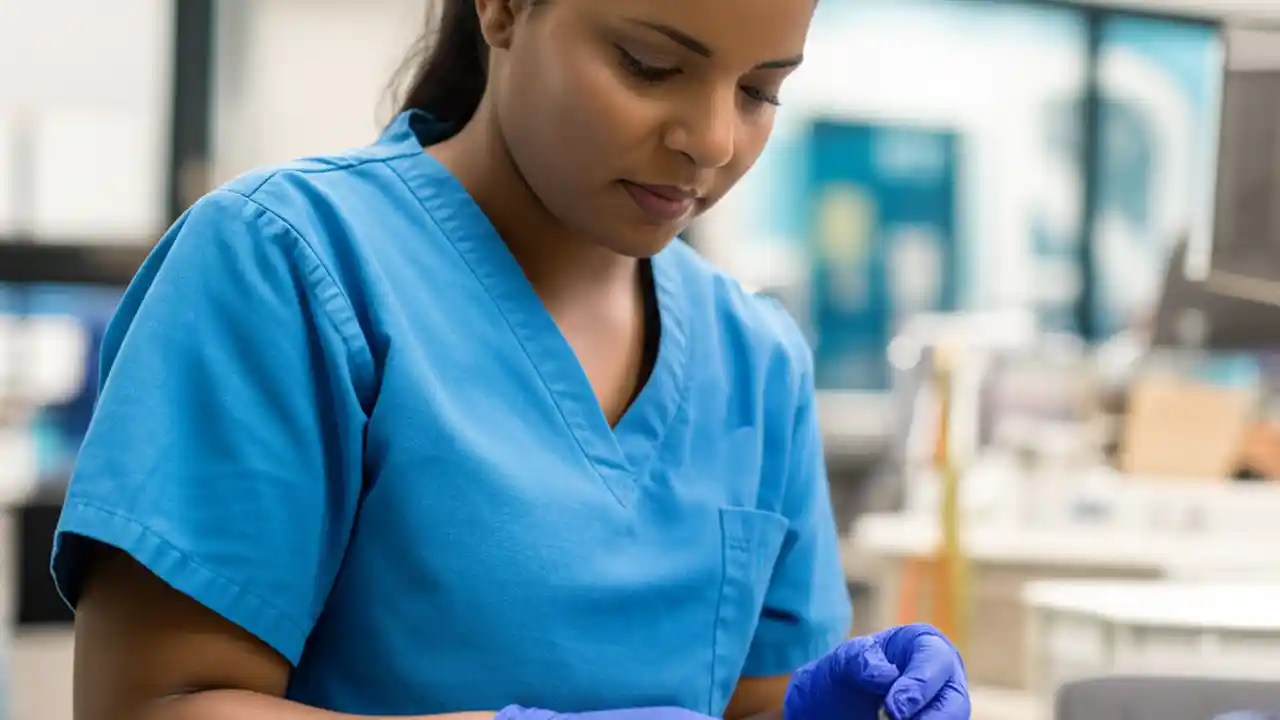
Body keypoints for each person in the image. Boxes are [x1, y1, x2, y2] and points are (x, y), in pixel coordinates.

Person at [52, 0, 970, 719]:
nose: (713, 140)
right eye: (650, 66)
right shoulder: (286, 264)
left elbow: (752, 702)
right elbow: (154, 705)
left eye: (760, 91)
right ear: (501, 8)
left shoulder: (759, 362)